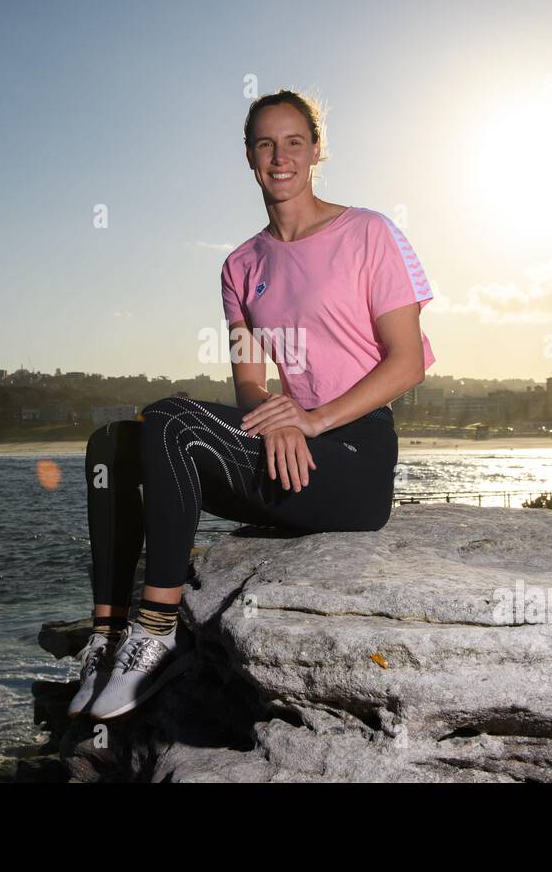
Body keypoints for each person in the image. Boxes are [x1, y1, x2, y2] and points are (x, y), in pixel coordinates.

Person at [70, 89, 436, 721]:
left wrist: (312, 419)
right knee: (113, 443)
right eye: (265, 144)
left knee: (170, 416)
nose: (280, 156)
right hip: (284, 451)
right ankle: (107, 640)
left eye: (294, 141)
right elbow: (248, 382)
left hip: (352, 456)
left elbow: (408, 361)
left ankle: (154, 635)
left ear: (317, 150)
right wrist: (273, 421)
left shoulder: (369, 232)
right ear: (248, 156)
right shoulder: (240, 264)